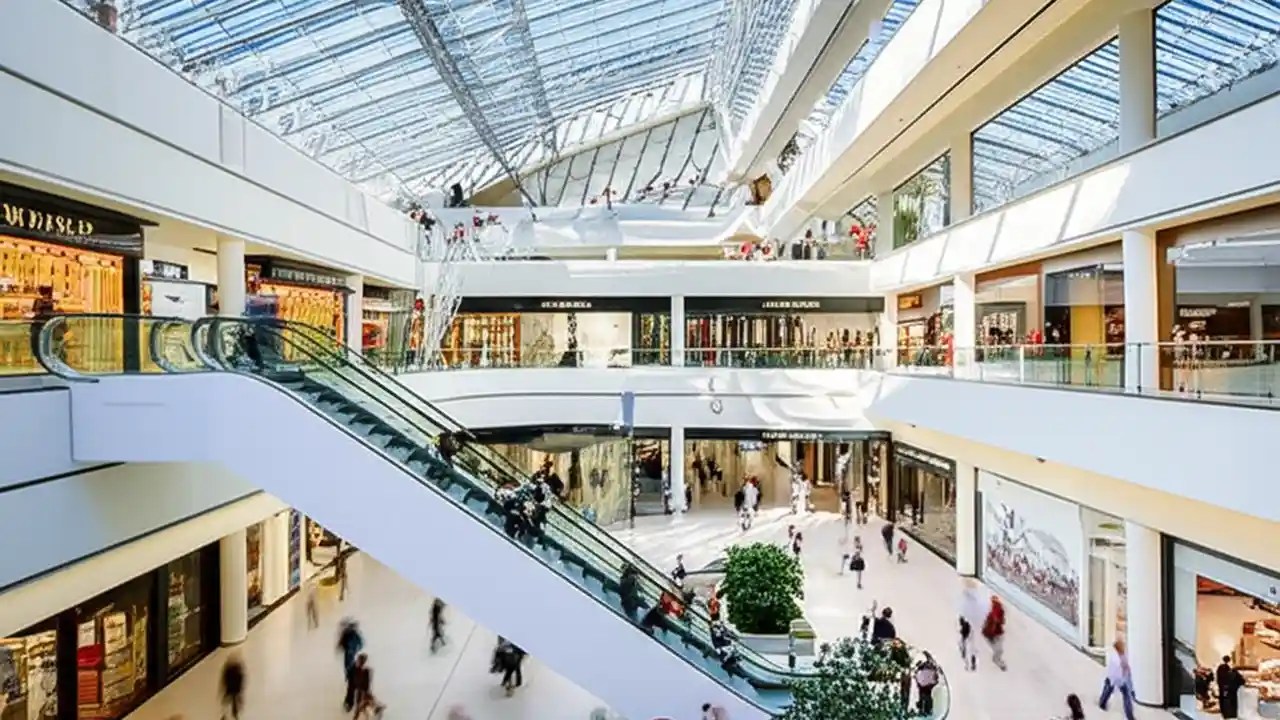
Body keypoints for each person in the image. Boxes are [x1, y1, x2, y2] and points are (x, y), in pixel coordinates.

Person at [1099, 638, 1136, 720]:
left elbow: (1126, 666)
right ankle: (1102, 703)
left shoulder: (1123, 654)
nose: (1124, 646)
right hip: (1115, 678)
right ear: (1119, 647)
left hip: (1122, 679)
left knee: (1126, 696)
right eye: (1122, 645)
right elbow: (1114, 671)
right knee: (1108, 690)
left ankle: (1130, 715)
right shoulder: (1115, 658)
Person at [337, 620, 365, 711]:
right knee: (353, 684)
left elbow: (361, 644)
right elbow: (361, 644)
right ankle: (351, 703)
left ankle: (352, 703)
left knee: (354, 685)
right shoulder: (348, 635)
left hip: (353, 661)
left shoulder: (349, 635)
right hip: (351, 662)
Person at [350, 653, 385, 719]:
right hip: (361, 693)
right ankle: (376, 708)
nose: (358, 662)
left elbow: (365, 684)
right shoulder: (358, 671)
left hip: (363, 693)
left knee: (360, 709)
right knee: (360, 710)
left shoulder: (365, 671)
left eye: (360, 660)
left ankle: (376, 708)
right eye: (359, 660)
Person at [982, 595, 1007, 671]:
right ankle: (997, 661)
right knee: (998, 650)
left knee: (998, 650)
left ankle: (997, 660)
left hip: (994, 634)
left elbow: (1001, 621)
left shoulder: (995, 613)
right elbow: (998, 621)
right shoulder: (993, 615)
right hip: (991, 634)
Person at [915, 652, 940, 716]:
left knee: (925, 696)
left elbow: (935, 674)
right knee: (925, 696)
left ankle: (925, 710)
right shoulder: (928, 666)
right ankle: (925, 710)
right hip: (926, 684)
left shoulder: (929, 666)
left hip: (925, 684)